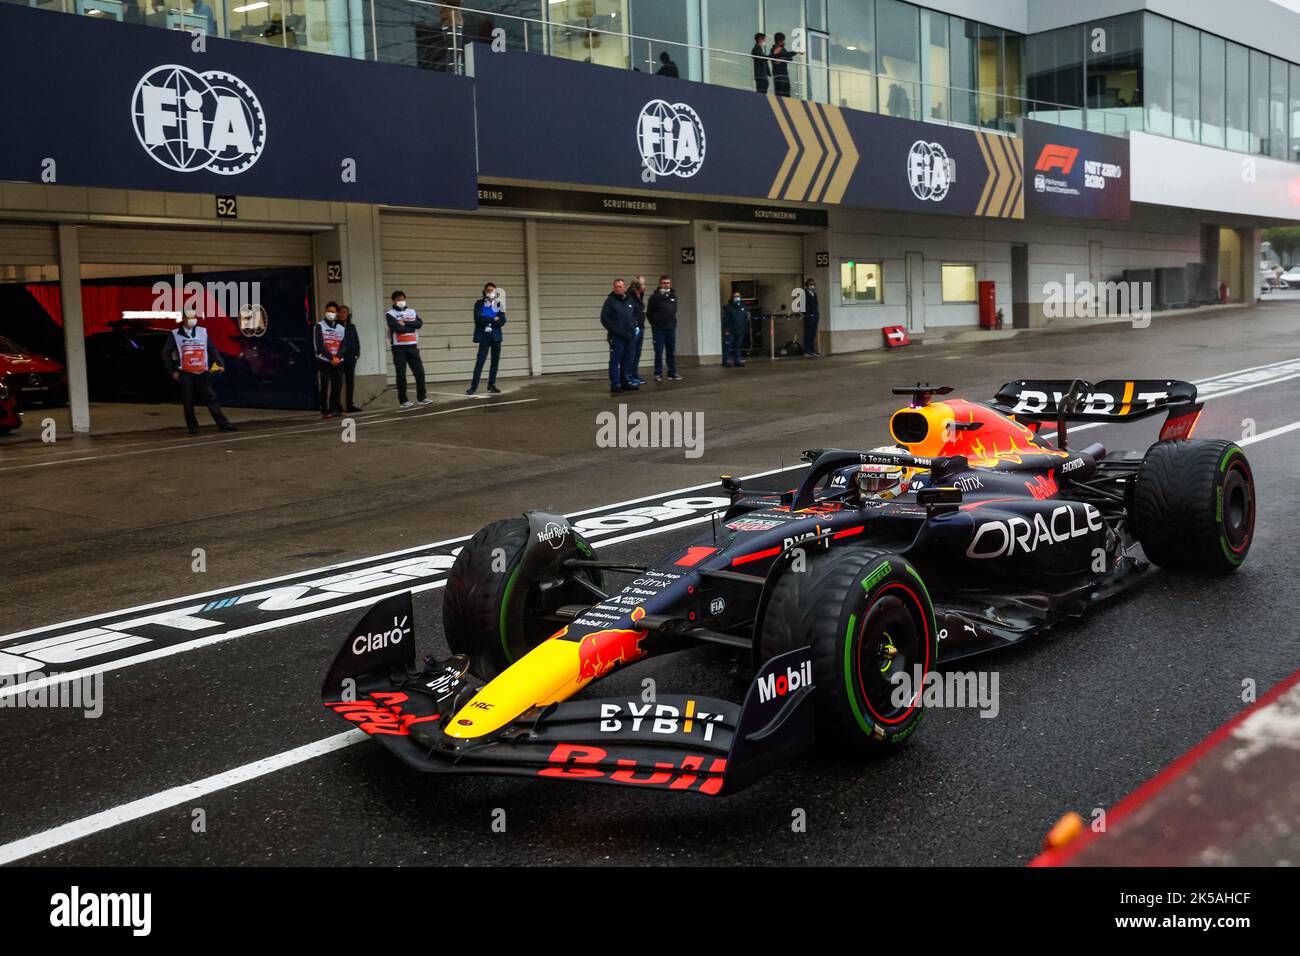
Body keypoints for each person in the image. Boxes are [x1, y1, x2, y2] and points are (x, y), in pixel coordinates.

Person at [160, 310, 236, 435]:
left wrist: (220, 364)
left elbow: (211, 349)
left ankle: (224, 425)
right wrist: (172, 371)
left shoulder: (202, 331)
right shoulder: (175, 334)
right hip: (186, 372)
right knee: (188, 400)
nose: (193, 319)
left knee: (211, 398)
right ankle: (192, 427)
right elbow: (166, 352)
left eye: (195, 317)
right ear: (183, 318)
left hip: (202, 371)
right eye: (190, 317)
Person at [386, 290, 431, 408]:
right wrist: (410, 326)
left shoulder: (411, 311)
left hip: (412, 346)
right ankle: (403, 400)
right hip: (398, 347)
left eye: (402, 299)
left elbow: (419, 324)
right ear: (393, 301)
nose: (400, 301)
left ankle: (422, 397)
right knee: (401, 374)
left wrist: (405, 323)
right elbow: (396, 328)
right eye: (398, 299)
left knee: (419, 372)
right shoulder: (390, 314)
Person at [600, 279, 639, 395]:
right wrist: (615, 331)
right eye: (616, 287)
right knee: (615, 361)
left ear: (624, 287)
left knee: (627, 360)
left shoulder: (628, 301)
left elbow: (634, 314)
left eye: (620, 287)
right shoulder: (610, 301)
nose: (618, 289)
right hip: (617, 337)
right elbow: (604, 319)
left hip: (629, 337)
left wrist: (634, 326)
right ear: (613, 288)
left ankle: (625, 381)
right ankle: (615, 384)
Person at [468, 282, 506, 395]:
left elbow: (502, 321)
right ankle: (473, 387)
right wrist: (493, 317)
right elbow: (478, 319)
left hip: (496, 336)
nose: (490, 292)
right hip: (484, 336)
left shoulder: (499, 304)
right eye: (488, 290)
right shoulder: (479, 304)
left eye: (492, 290)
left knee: (495, 362)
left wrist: (489, 318)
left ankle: (491, 385)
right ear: (484, 291)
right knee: (480, 361)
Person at [314, 303, 348, 419]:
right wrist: (330, 358)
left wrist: (337, 357)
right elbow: (319, 345)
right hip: (324, 361)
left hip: (338, 361)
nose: (330, 313)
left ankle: (335, 408)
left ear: (337, 313)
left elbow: (343, 344)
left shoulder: (341, 328)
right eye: (328, 311)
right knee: (324, 385)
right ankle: (324, 409)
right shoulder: (319, 326)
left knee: (337, 385)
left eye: (333, 312)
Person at [647, 275, 681, 383]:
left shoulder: (673, 296)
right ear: (660, 284)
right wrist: (655, 323)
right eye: (664, 283)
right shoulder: (654, 297)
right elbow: (649, 313)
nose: (666, 285)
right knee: (658, 351)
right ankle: (658, 373)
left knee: (671, 351)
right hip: (659, 329)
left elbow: (674, 310)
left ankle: (672, 372)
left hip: (670, 327)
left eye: (668, 283)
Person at [338, 305, 361, 412]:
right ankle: (337, 405)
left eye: (345, 313)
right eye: (341, 312)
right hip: (340, 358)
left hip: (351, 358)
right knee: (338, 381)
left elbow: (356, 341)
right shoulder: (335, 326)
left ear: (348, 315)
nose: (343, 314)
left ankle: (349, 405)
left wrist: (357, 353)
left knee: (350, 381)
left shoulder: (352, 327)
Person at [722, 291, 750, 368]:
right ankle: (725, 361)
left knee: (738, 347)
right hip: (730, 331)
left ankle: (737, 361)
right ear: (732, 297)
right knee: (728, 347)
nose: (737, 298)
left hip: (740, 331)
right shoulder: (728, 308)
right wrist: (726, 330)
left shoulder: (743, 307)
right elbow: (726, 320)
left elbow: (745, 319)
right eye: (735, 296)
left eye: (738, 296)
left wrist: (744, 329)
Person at [628, 276, 647, 386]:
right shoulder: (629, 296)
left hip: (641, 326)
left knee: (637, 353)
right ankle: (629, 376)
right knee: (631, 353)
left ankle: (635, 374)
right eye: (643, 284)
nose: (645, 286)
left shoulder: (640, 295)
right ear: (637, 286)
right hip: (634, 328)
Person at [770, 32, 799, 98]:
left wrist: (782, 59)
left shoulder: (783, 49)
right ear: (779, 41)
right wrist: (783, 58)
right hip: (778, 75)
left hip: (785, 75)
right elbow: (773, 60)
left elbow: (789, 58)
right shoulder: (773, 49)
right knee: (779, 94)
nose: (783, 42)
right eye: (782, 41)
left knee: (787, 93)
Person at [801, 278, 821, 357]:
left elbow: (816, 305)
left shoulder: (814, 294)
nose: (812, 286)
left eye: (813, 284)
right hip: (809, 316)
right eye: (811, 284)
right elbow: (802, 306)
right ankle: (806, 351)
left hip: (815, 316)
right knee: (808, 334)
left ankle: (812, 350)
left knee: (813, 334)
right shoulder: (804, 294)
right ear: (807, 285)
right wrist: (805, 314)